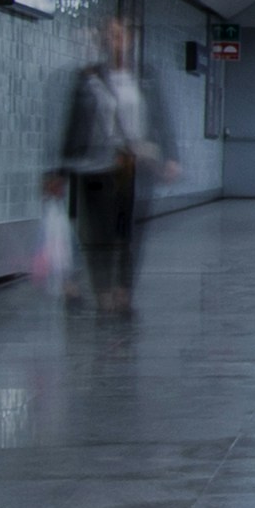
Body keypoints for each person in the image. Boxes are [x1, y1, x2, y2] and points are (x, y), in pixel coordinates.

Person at [47, 15, 167, 314]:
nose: (113, 41)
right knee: (97, 234)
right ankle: (102, 291)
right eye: (108, 36)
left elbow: (161, 118)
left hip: (135, 164)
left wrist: (169, 155)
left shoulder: (146, 76)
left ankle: (123, 290)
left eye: (118, 35)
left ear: (130, 39)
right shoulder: (87, 76)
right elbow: (74, 124)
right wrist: (61, 170)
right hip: (93, 167)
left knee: (128, 231)